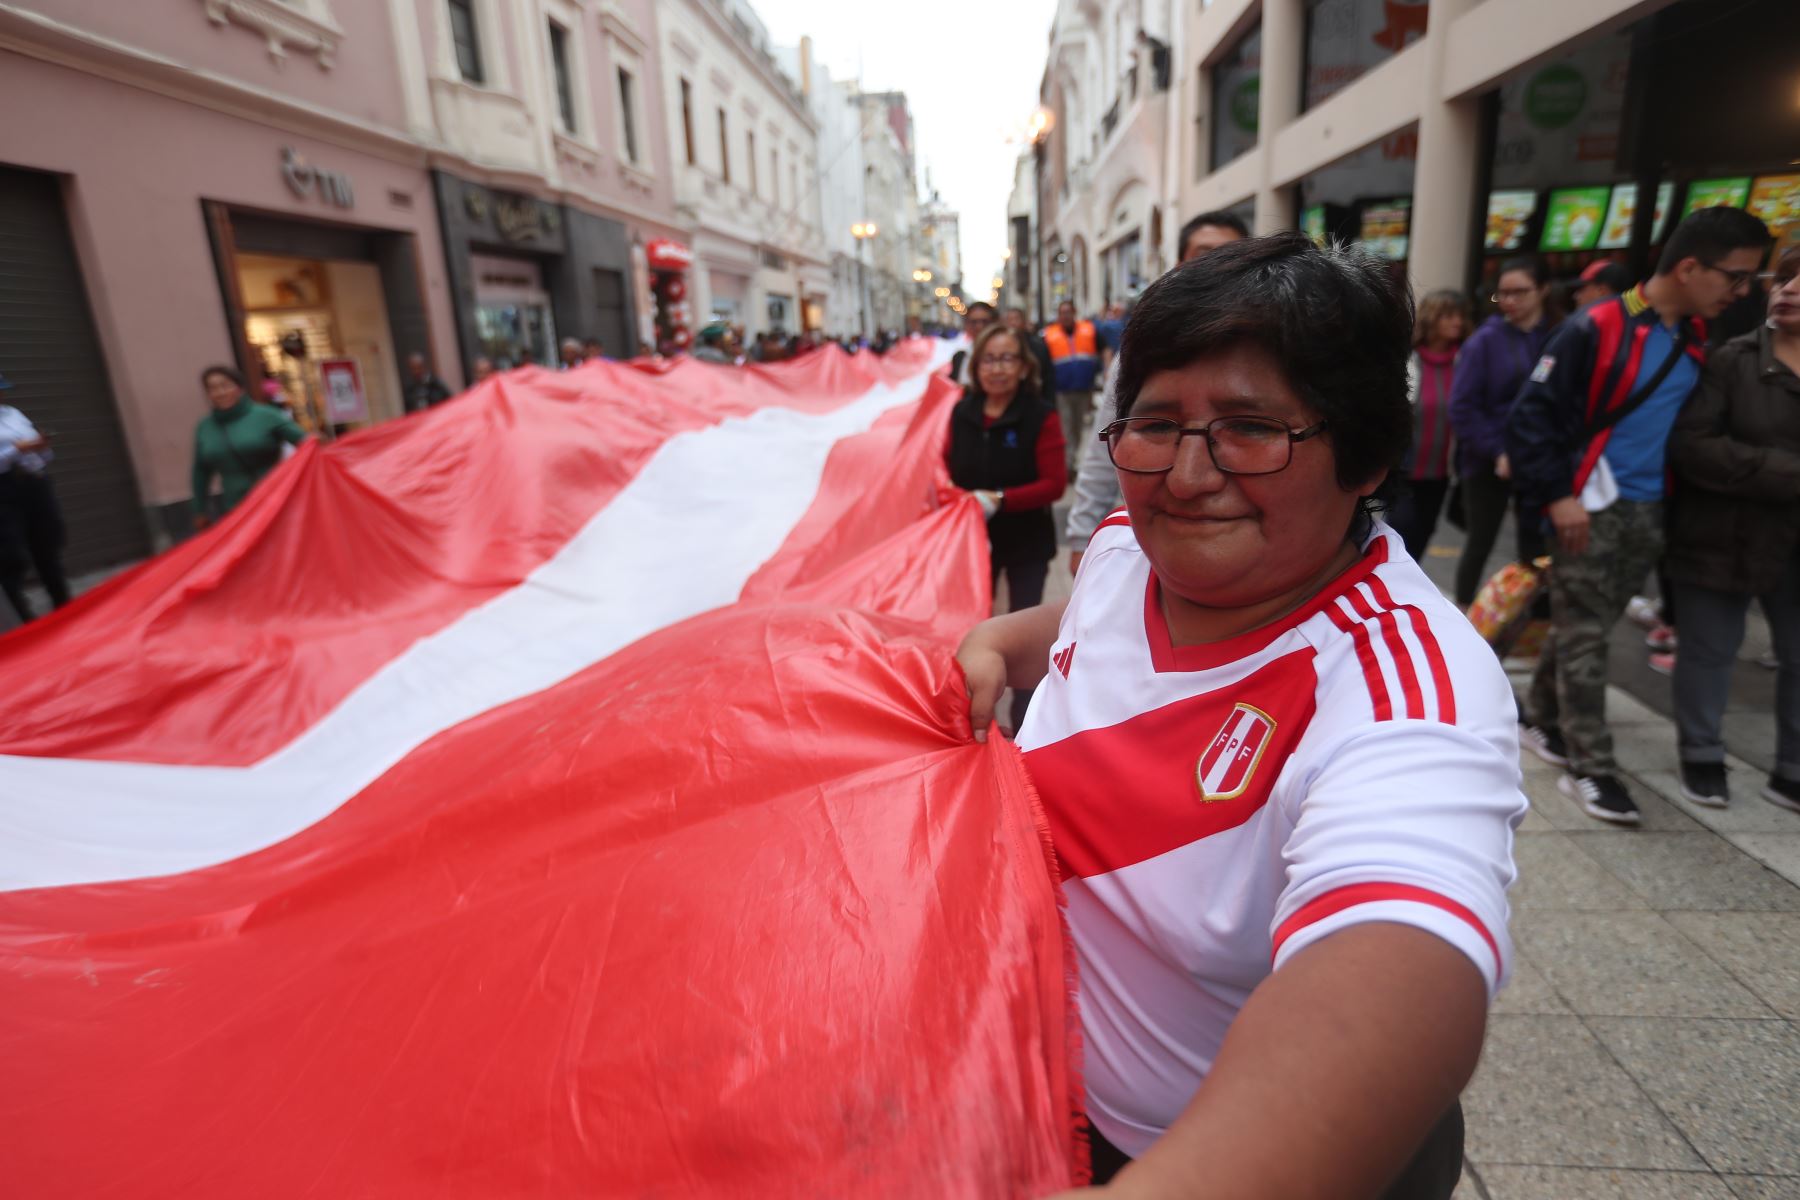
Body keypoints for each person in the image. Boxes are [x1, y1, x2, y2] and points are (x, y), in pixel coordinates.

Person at [957, 233, 1523, 1200]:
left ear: (1368, 455)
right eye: (1156, 423)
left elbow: (1397, 974)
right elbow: (1082, 623)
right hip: (1042, 1103)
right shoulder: (1130, 546)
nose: (1185, 476)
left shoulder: (1406, 695)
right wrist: (1000, 643)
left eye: (1250, 428)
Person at [1507, 206, 1773, 825]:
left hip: (1649, 511)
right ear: (1688, 267)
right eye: (1735, 277)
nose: (1741, 292)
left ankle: (1540, 717)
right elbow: (1529, 420)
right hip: (1587, 509)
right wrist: (1558, 497)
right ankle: (1589, 765)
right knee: (1587, 635)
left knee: (1585, 625)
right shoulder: (1595, 325)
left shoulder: (1695, 335)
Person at [1665, 245, 1800, 812]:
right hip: (1723, 534)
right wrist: (1787, 471)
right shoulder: (1731, 359)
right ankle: (1703, 756)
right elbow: (1693, 446)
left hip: (1795, 543)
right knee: (1709, 651)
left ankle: (1792, 766)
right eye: (1785, 280)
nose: (1789, 290)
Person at [1064, 210, 1249, 575]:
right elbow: (1105, 446)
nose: (1221, 267)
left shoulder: (1280, 351)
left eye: (1233, 255)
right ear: (1182, 264)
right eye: (1206, 254)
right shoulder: (1145, 347)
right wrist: (1082, 535)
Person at [944, 324, 1066, 732]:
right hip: (973, 543)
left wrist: (1002, 499)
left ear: (1023, 367)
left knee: (1023, 633)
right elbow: (943, 465)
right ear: (976, 367)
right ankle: (968, 714)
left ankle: (1025, 722)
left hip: (1026, 540)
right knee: (969, 624)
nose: (997, 368)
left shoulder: (1039, 415)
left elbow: (1054, 483)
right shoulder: (962, 411)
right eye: (989, 359)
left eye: (1007, 358)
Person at [1447, 256, 1559, 607]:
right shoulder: (1485, 341)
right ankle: (1463, 615)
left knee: (1537, 549)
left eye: (1519, 292)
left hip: (1541, 458)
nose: (1509, 300)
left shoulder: (1560, 335)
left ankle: (1530, 629)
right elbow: (1462, 407)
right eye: (1502, 293)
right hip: (1487, 462)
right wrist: (1497, 451)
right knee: (1480, 541)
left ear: (1543, 290)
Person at [1389, 289, 1472, 561]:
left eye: (1461, 316)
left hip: (1442, 472)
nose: (1457, 322)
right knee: (1400, 531)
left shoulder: (1466, 362)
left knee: (1424, 532)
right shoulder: (1407, 359)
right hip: (1404, 469)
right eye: (1448, 315)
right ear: (1431, 318)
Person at [191, 364, 307, 529]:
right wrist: (199, 510)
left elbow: (305, 443)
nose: (220, 393)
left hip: (276, 501)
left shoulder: (267, 415)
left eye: (225, 385)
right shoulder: (205, 428)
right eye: (213, 389)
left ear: (239, 388)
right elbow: (200, 471)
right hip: (235, 508)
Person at [0, 372, 70, 623]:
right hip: (5, 491)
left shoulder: (13, 414)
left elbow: (40, 452)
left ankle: (65, 609)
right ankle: (23, 621)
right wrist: (15, 451)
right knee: (11, 557)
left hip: (35, 482)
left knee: (49, 547)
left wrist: (41, 447)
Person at [1043, 300, 1101, 470]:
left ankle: (1071, 458)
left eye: (1068, 312)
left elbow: (1103, 348)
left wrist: (1105, 370)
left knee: (1077, 427)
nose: (1065, 316)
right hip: (1062, 390)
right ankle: (1067, 465)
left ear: (1074, 313)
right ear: (1058, 316)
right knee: (1066, 428)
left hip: (1084, 388)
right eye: (1062, 312)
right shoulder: (1049, 335)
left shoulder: (1089, 329)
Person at [1004, 306, 1056, 398]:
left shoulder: (1038, 346)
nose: (1013, 323)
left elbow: (1048, 376)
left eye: (1016, 319)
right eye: (1009, 320)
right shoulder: (1001, 347)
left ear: (1024, 322)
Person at [948, 302, 999, 389]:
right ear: (967, 325)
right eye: (974, 322)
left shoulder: (1003, 355)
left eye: (985, 321)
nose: (979, 326)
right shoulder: (960, 357)